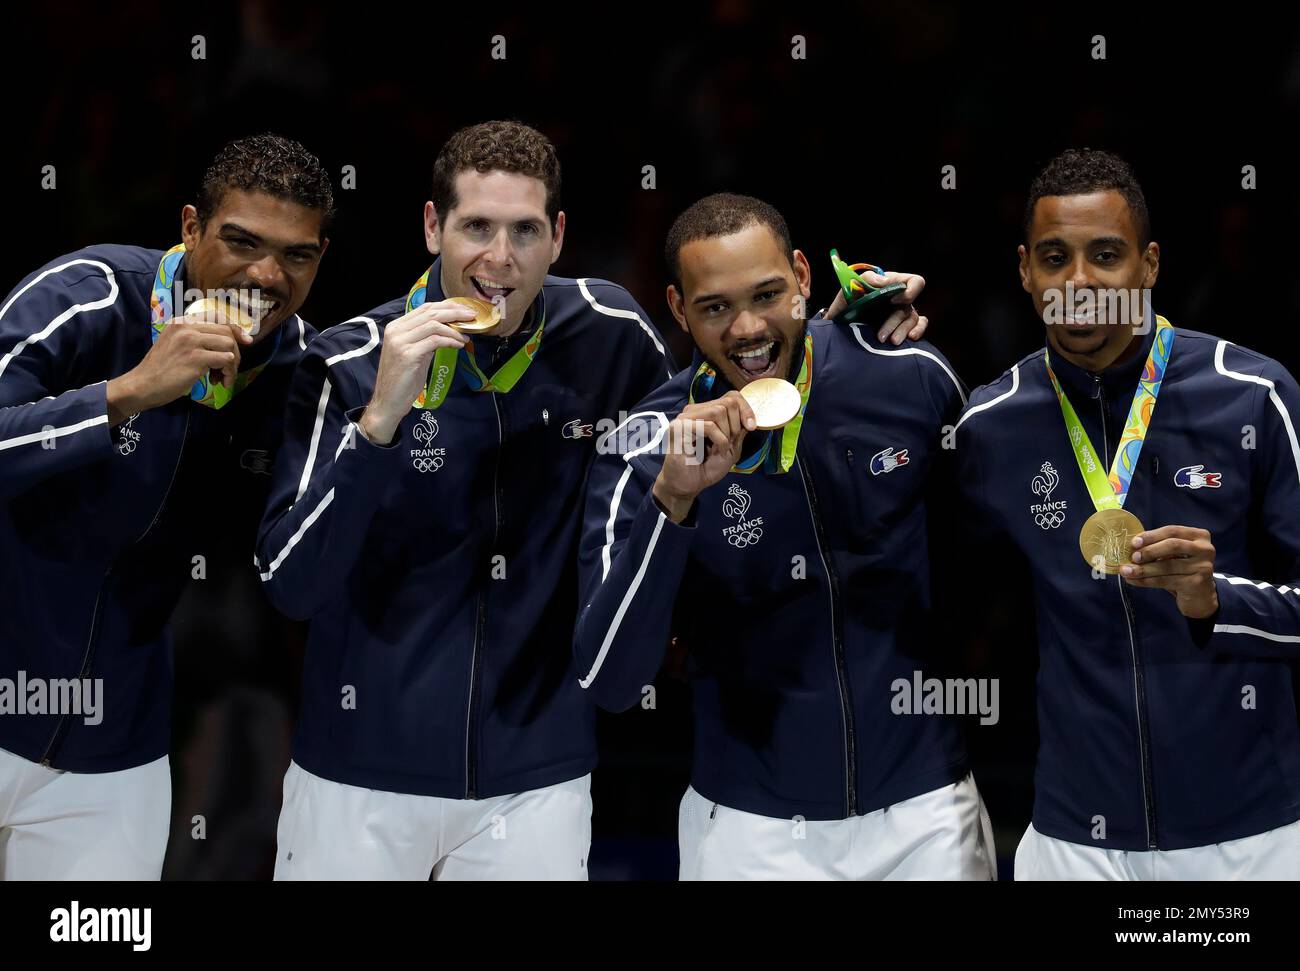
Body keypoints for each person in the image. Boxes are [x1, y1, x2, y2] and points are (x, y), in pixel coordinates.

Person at [575, 192, 995, 880]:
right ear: (679, 310)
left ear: (804, 277)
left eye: (768, 294)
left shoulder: (908, 374)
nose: (747, 327)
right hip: (750, 830)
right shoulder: (644, 446)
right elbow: (609, 678)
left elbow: (980, 555)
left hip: (927, 811)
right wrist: (673, 501)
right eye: (714, 307)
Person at [954, 148, 1300, 879]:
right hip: (1074, 840)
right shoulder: (990, 425)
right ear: (1025, 271)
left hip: (1251, 838)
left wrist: (1218, 601)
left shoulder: (1253, 395)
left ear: (1148, 264)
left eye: (1105, 255)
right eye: (1055, 257)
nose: (1079, 283)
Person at [0, 133, 334, 879]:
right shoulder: (88, 297)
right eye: (241, 241)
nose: (266, 274)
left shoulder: (303, 376)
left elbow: (303, 570)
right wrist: (126, 394)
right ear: (190, 227)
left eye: (297, 255)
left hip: (113, 754)